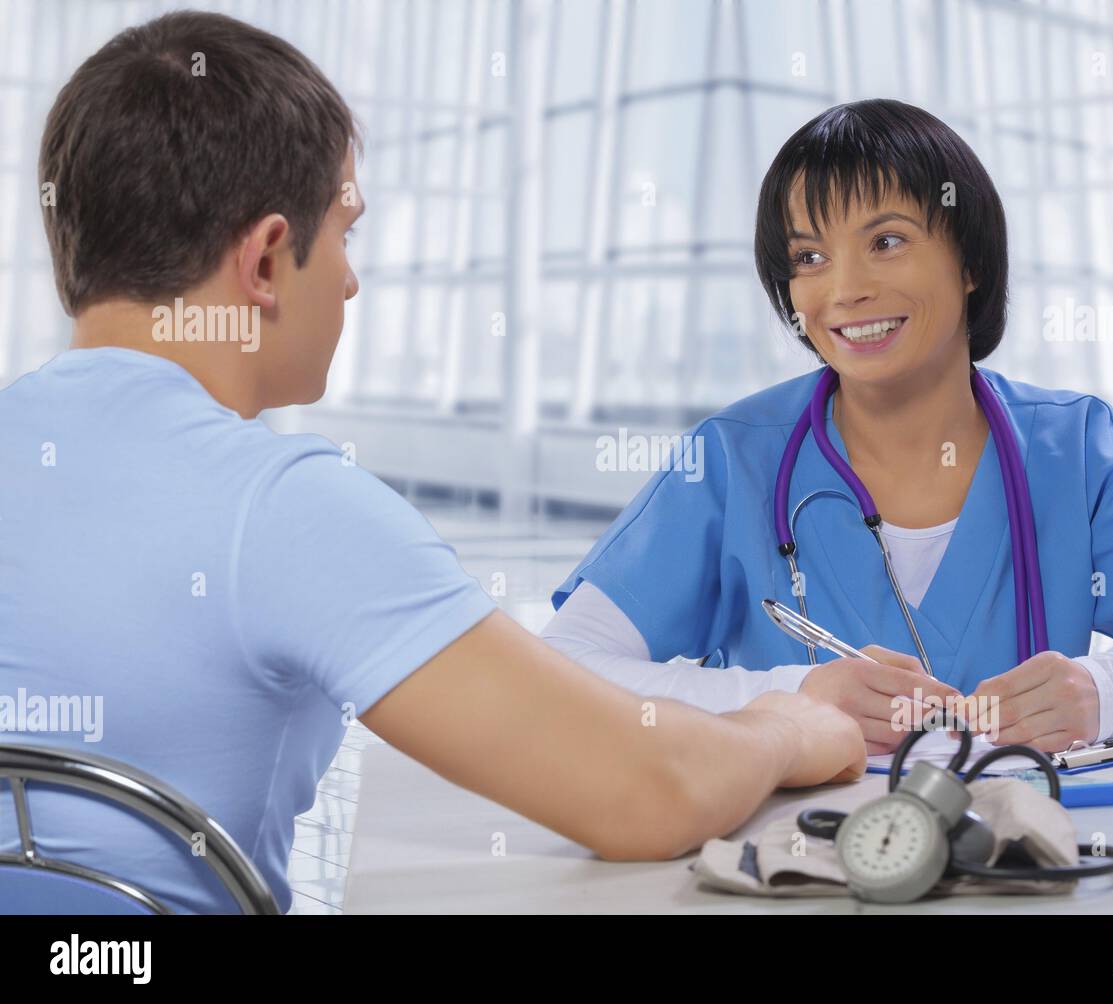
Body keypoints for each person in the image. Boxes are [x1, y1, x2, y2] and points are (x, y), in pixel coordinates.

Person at [0, 11, 865, 915]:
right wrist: (785, 724)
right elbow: (649, 792)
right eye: (345, 233)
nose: (349, 280)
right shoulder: (285, 509)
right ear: (263, 260)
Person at [544, 99, 1113, 759]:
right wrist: (786, 701)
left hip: (1025, 877)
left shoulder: (1081, 454)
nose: (844, 289)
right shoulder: (731, 461)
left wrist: (1107, 691)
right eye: (808, 257)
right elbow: (565, 672)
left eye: (886, 241)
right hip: (795, 875)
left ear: (971, 263)